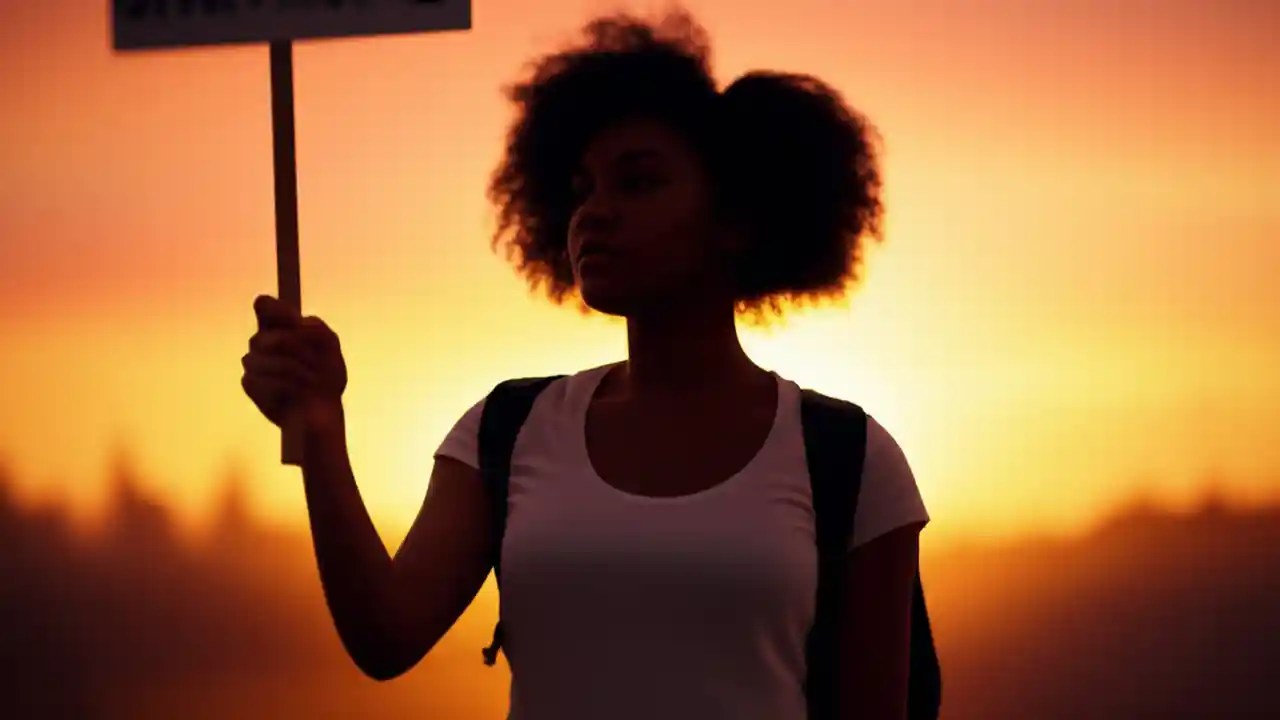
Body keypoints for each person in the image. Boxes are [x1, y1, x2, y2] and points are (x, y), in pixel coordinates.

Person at [240, 6, 930, 719]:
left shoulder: (848, 459)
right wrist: (321, 431)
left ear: (736, 218)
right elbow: (385, 635)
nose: (594, 213)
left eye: (637, 182)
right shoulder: (506, 431)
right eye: (581, 191)